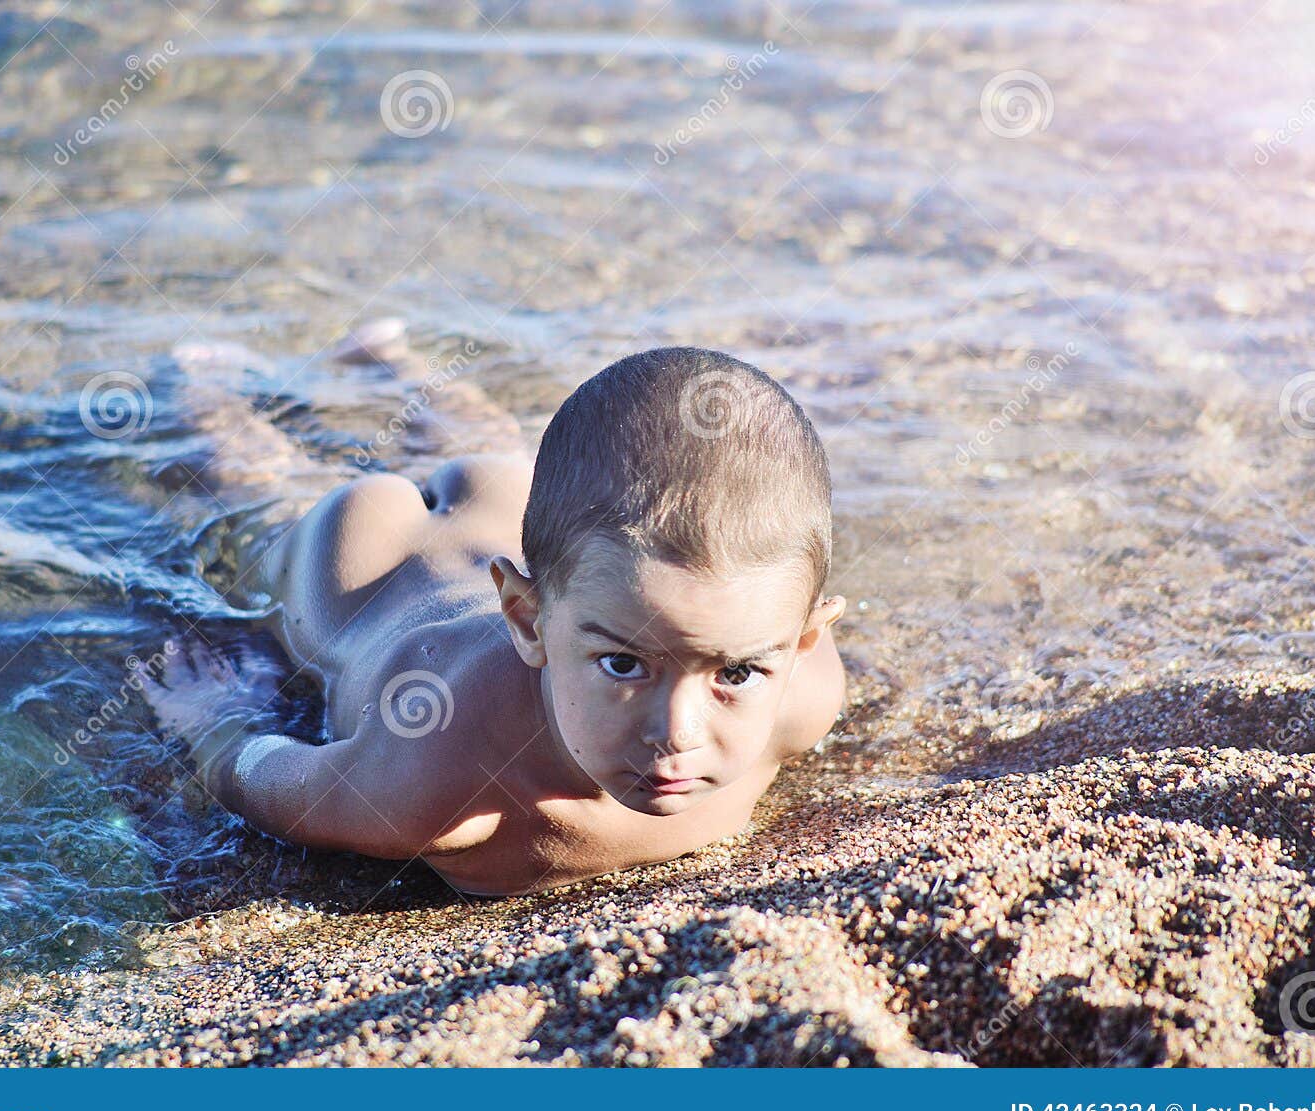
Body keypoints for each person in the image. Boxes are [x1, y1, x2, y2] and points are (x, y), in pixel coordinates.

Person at [142, 345, 847, 896]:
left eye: (736, 672)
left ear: (804, 641)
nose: (678, 732)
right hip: (366, 577)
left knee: (513, 468)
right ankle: (201, 383)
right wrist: (218, 724)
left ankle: (393, 359)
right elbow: (282, 788)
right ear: (527, 622)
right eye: (624, 665)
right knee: (268, 496)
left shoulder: (805, 694)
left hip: (551, 547)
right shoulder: (437, 783)